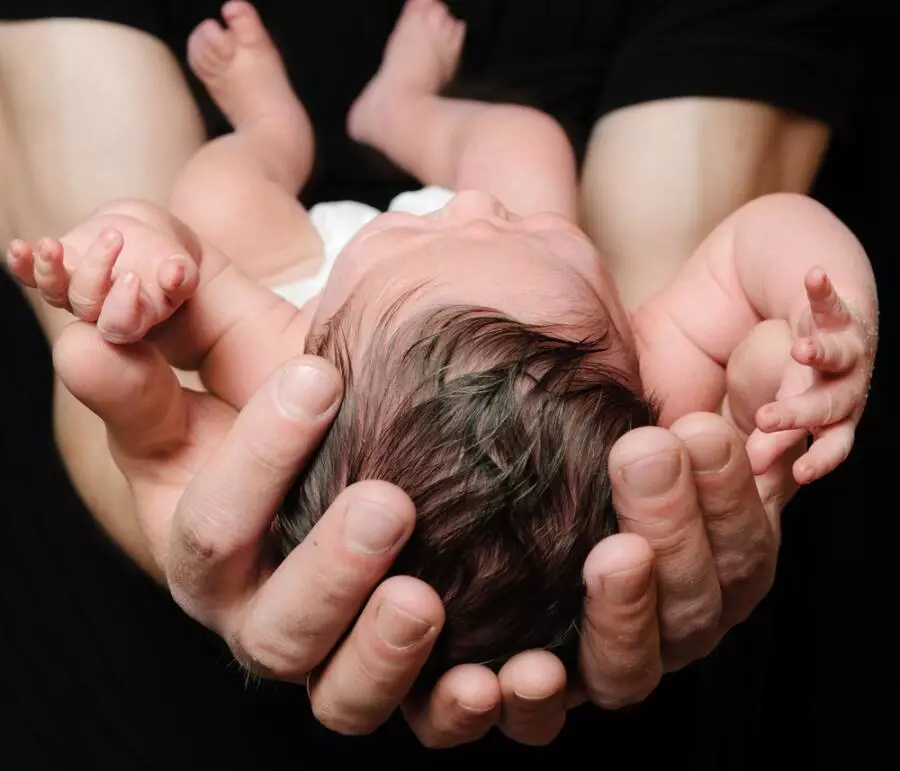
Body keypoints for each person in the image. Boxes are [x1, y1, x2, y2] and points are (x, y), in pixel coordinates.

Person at [0, 0, 859, 765]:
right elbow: (764, 237)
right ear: (626, 357)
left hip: (310, 268)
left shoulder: (283, 349)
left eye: (463, 221)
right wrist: (829, 322)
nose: (466, 204)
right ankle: (406, 107)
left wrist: (136, 258)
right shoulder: (636, 364)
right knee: (528, 146)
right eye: (547, 242)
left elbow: (177, 284)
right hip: (439, 302)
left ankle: (272, 128)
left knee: (215, 195)